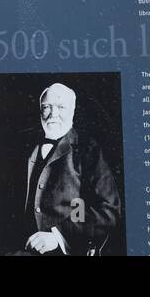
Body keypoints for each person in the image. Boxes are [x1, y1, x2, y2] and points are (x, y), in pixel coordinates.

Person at [15, 82, 122, 255]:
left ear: (72, 111)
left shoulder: (88, 150)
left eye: (61, 107)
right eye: (47, 107)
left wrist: (57, 236)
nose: (53, 114)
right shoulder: (26, 147)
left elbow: (108, 211)